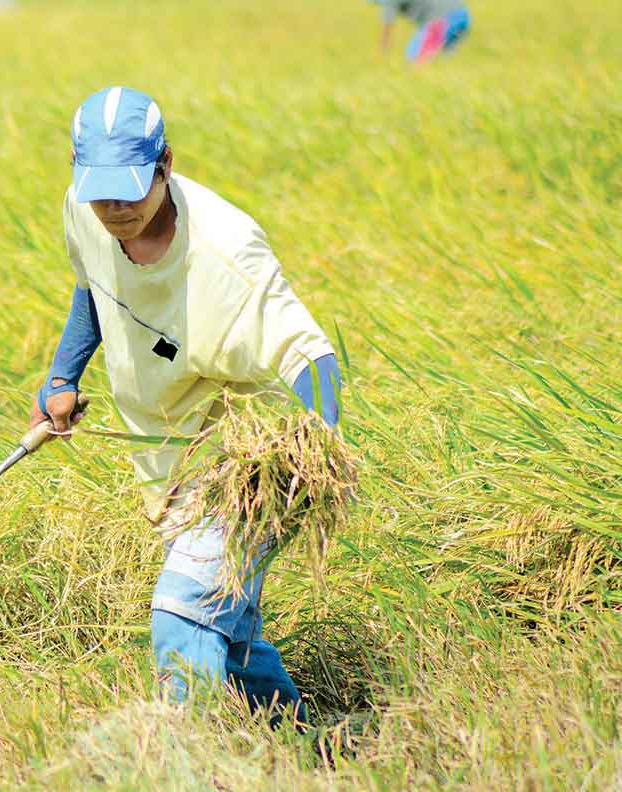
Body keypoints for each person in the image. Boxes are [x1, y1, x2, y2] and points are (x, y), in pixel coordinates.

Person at [31, 86, 342, 725]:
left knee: (182, 616)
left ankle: (193, 761)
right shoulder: (84, 210)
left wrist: (312, 456)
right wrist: (62, 377)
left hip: (244, 466)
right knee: (226, 635)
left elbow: (311, 356)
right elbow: (93, 286)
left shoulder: (228, 254)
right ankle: (307, 744)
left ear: (166, 164)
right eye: (100, 189)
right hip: (168, 465)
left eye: (131, 188)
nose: (114, 208)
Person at [372, 0, 471, 63]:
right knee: (442, 62)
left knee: (414, 58)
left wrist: (382, 52)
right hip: (462, 14)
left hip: (442, 19)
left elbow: (388, 23)